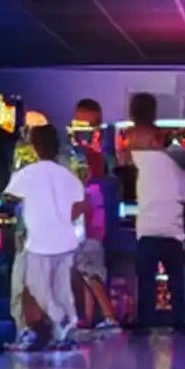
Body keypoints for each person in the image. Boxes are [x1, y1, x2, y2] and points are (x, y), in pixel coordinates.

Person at [122, 92, 185, 331]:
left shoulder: (130, 142)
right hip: (172, 229)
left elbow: (120, 169)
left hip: (147, 228)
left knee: (146, 285)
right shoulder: (169, 149)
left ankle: (144, 325)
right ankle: (181, 323)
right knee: (176, 284)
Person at [3, 124, 87, 351]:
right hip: (64, 241)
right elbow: (81, 204)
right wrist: (61, 220)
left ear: (34, 146)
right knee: (60, 288)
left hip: (37, 241)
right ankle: (63, 332)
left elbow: (7, 200)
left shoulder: (28, 173)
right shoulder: (67, 175)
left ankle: (31, 332)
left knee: (28, 287)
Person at [67, 98, 121, 332]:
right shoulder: (76, 154)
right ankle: (88, 318)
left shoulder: (101, 156)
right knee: (87, 269)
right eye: (78, 125)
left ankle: (108, 317)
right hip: (86, 221)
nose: (82, 132)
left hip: (93, 221)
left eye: (87, 126)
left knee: (89, 269)